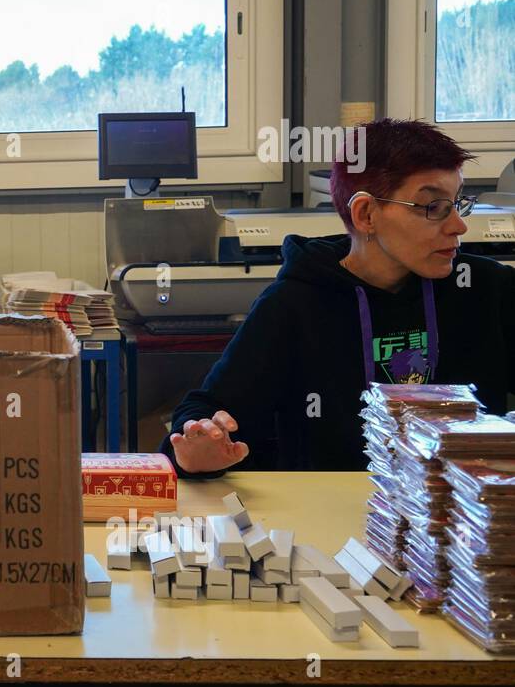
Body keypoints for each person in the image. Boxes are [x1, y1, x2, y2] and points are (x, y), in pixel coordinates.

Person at [162, 118, 514, 478]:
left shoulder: (488, 288)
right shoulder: (295, 303)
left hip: (463, 519)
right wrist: (197, 450)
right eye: (433, 207)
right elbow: (205, 411)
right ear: (366, 215)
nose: (458, 225)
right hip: (332, 516)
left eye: (458, 203)